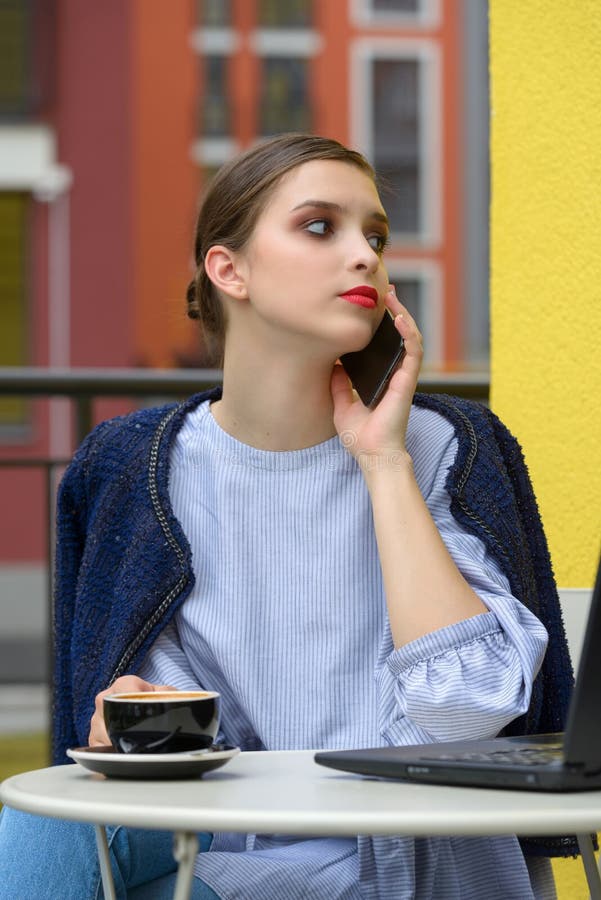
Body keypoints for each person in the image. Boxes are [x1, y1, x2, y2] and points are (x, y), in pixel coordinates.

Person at [0, 133, 565, 899]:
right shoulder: (136, 469)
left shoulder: (443, 448)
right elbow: (163, 745)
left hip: (404, 870)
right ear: (227, 269)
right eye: (319, 226)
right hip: (217, 864)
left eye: (374, 235)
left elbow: (461, 711)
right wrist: (131, 721)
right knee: (41, 825)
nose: (364, 255)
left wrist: (381, 460)